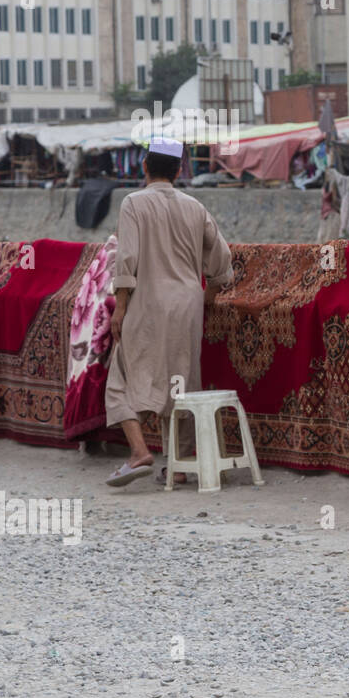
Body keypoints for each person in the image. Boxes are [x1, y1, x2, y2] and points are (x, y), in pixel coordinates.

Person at [104, 137, 234, 487]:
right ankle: (178, 465)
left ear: (144, 167)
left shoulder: (134, 203)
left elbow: (126, 259)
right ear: (179, 170)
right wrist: (211, 295)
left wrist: (120, 308)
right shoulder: (195, 206)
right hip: (187, 305)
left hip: (149, 302)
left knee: (121, 378)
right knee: (182, 382)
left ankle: (139, 452)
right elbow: (221, 259)